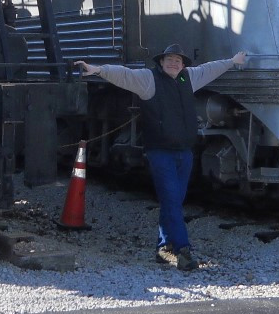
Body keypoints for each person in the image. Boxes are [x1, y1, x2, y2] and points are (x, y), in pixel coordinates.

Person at [76, 44, 247, 271]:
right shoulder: (149, 80)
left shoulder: (189, 79)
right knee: (172, 199)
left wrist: (232, 62)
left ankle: (163, 247)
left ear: (183, 64)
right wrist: (98, 70)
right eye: (169, 59)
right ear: (161, 62)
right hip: (160, 152)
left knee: (174, 201)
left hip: (184, 152)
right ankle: (182, 250)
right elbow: (124, 75)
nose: (173, 63)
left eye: (178, 60)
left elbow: (209, 69)